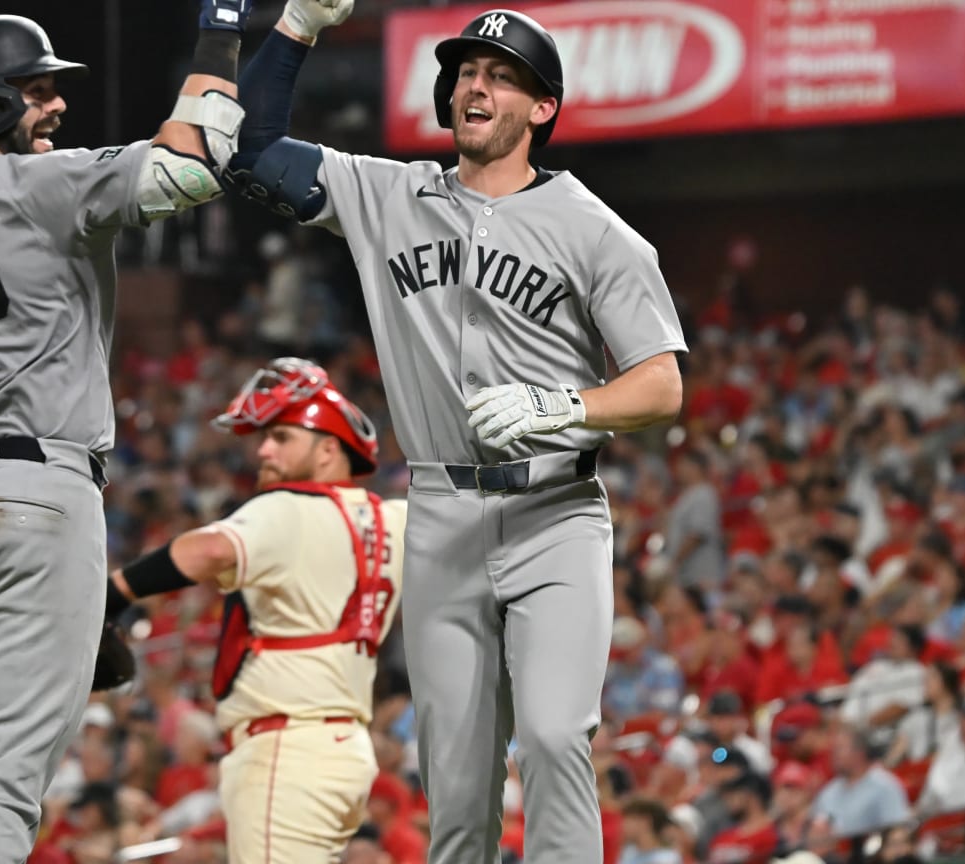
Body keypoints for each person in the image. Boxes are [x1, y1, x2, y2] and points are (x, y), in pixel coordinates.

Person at [228, 4, 687, 860]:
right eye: (468, 72)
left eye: (503, 75)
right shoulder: (389, 194)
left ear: (541, 109)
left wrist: (566, 408)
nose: (477, 84)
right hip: (439, 516)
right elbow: (248, 149)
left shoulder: (597, 231)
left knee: (554, 738)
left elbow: (662, 385)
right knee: (456, 779)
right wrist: (293, 28)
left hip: (556, 512)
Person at [0, 4, 253, 861]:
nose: (55, 105)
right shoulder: (38, 183)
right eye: (33, 90)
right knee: (3, 777)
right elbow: (192, 168)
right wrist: (220, 30)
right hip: (33, 492)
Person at [103, 358, 405, 862]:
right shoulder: (394, 516)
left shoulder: (286, 507)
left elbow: (210, 551)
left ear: (329, 449)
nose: (264, 449)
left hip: (286, 752)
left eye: (283, 437)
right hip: (346, 751)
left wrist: (112, 593)